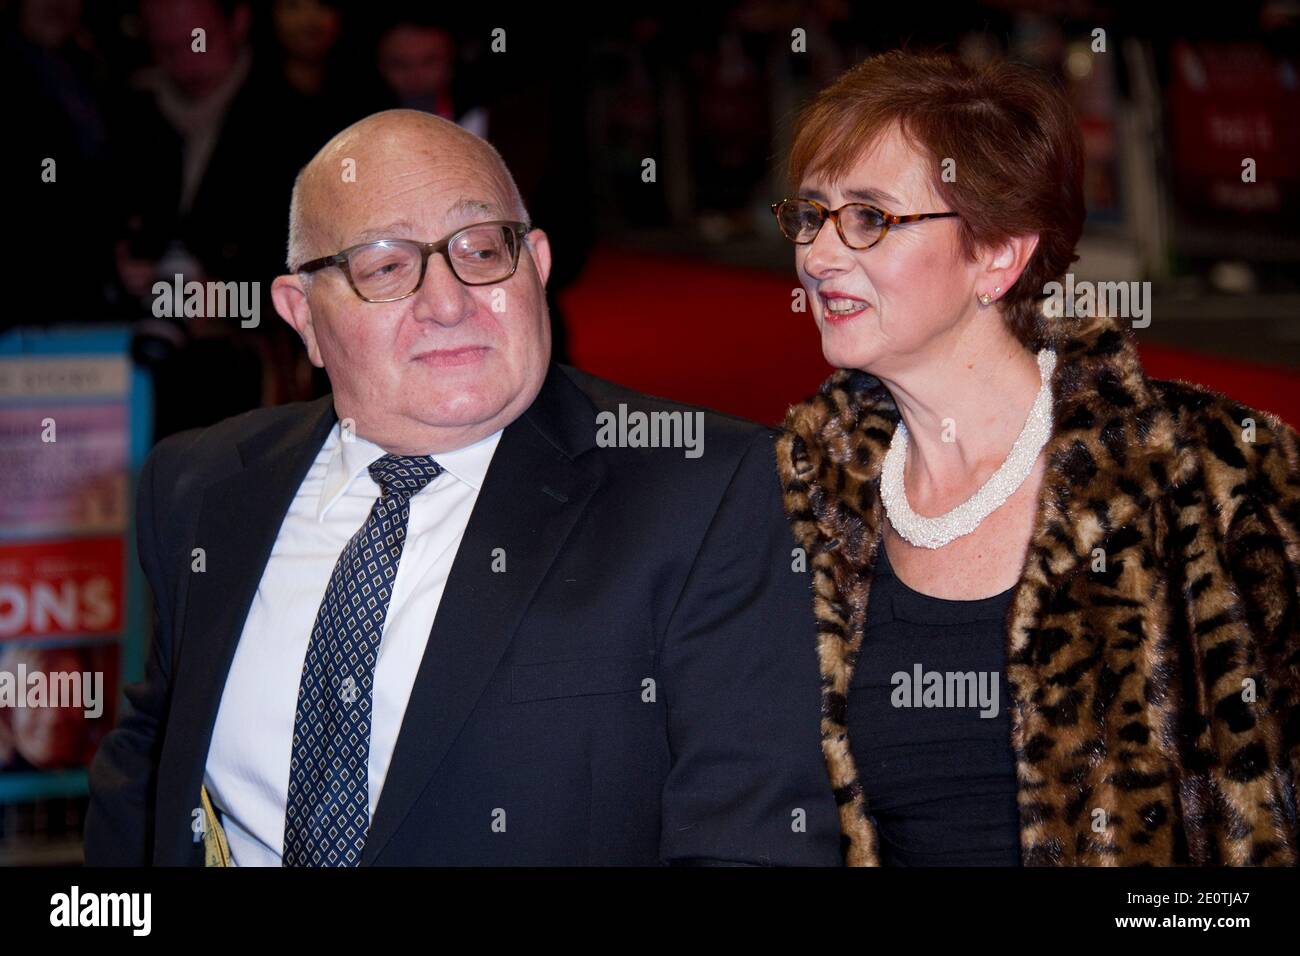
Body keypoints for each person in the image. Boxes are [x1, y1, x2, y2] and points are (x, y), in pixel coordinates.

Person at [84, 109, 840, 866]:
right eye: (384, 267)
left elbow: (754, 837)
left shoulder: (704, 490)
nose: (448, 303)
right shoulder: (202, 487)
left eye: (482, 251)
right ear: (302, 315)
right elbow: (148, 774)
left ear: (537, 265)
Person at [771, 51, 1300, 866]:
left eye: (869, 217)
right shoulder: (797, 500)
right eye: (811, 213)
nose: (818, 254)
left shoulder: (1216, 474)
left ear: (998, 255)